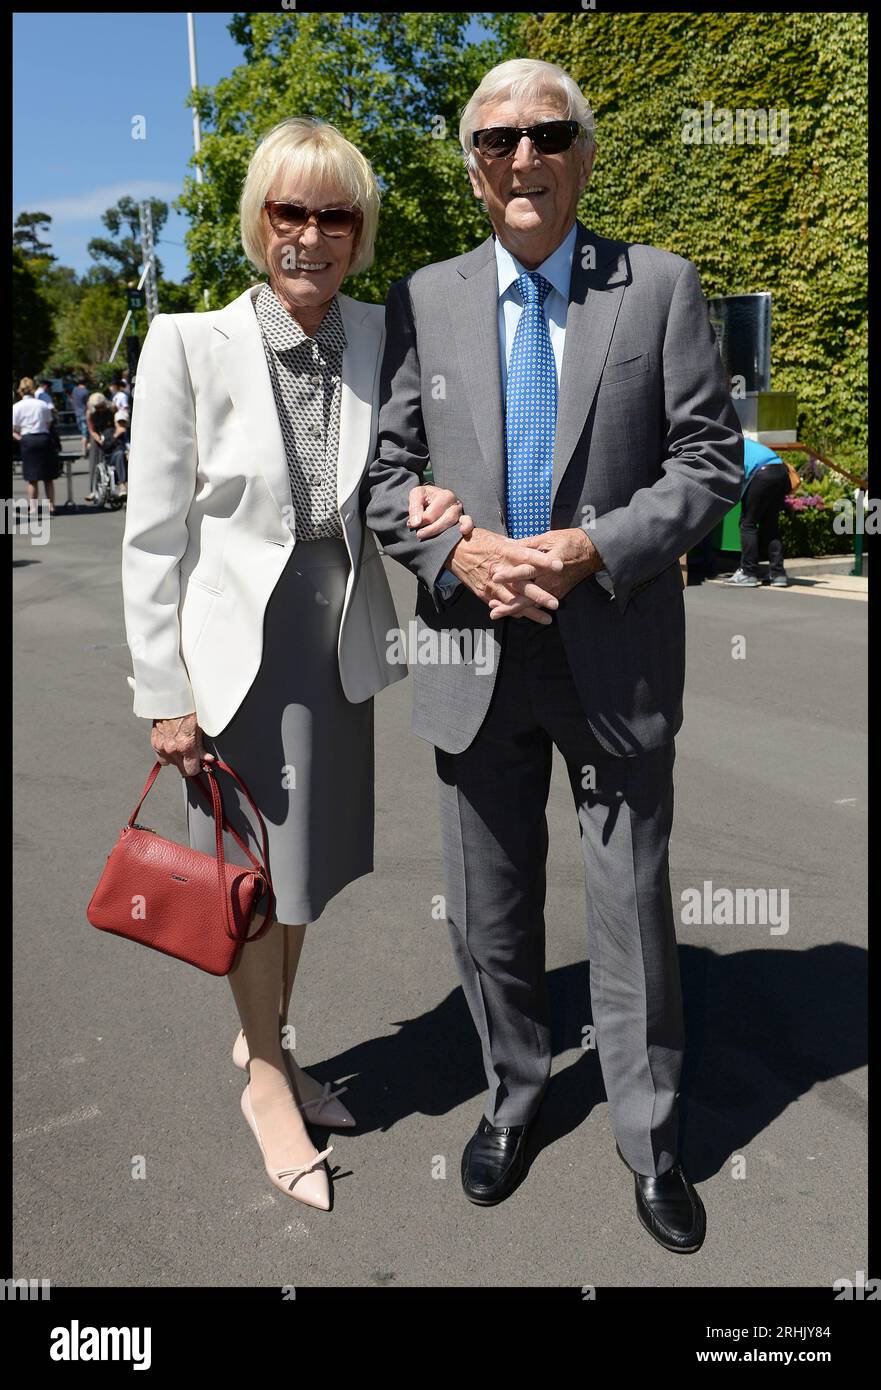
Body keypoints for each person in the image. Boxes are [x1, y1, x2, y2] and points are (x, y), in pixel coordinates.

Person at [365, 58, 744, 1253]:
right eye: (495, 141)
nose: (521, 158)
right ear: (470, 165)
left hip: (610, 641)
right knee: (488, 907)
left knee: (630, 905)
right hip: (468, 648)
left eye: (546, 134)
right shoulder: (423, 299)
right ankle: (513, 1099)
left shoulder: (660, 287)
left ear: (583, 150)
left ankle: (648, 1137)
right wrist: (457, 558)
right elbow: (382, 479)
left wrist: (587, 546)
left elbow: (706, 467)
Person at [120, 116, 466, 1212]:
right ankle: (268, 1074)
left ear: (358, 232)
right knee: (245, 882)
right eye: (288, 210)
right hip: (233, 653)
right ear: (256, 218)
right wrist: (161, 690)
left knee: (303, 870)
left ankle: (261, 1029)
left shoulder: (381, 331)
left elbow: (414, 460)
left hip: (336, 639)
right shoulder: (184, 342)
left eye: (333, 214)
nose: (309, 234)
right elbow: (152, 535)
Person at [724, 437, 792, 587]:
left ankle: (748, 572)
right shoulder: (737, 440)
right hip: (780, 470)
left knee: (748, 524)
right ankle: (778, 574)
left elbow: (730, 478)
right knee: (770, 525)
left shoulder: (722, 445)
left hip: (762, 473)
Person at [12, 376, 58, 516]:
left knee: (32, 477)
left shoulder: (16, 407)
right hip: (43, 438)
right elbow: (49, 423)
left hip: (28, 439)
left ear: (20, 391)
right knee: (48, 476)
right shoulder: (42, 404)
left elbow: (13, 429)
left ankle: (33, 507)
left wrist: (21, 439)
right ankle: (51, 505)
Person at [83, 392, 115, 503]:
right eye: (97, 407)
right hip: (97, 435)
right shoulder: (90, 413)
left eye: (101, 407)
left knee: (111, 458)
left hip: (110, 433)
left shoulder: (111, 408)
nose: (99, 409)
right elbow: (91, 430)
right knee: (94, 462)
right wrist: (99, 439)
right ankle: (93, 490)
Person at [70, 377, 90, 457]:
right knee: (85, 433)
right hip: (84, 413)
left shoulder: (74, 390)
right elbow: (88, 403)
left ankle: (85, 448)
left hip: (77, 413)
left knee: (82, 432)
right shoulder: (86, 391)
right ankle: (84, 450)